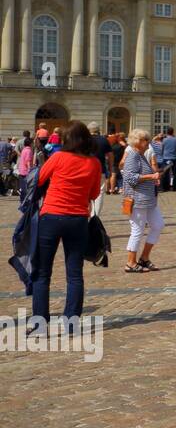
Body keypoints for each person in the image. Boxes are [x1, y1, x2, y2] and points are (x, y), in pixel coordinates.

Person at [29, 121, 101, 333]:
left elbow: (39, 178)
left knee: (42, 273)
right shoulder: (93, 163)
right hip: (77, 219)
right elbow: (94, 194)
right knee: (75, 274)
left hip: (51, 216)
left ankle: (40, 323)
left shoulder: (58, 157)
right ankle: (71, 322)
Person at [121, 128, 164, 273]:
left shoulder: (141, 155)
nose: (148, 142)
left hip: (148, 199)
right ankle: (130, 262)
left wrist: (154, 179)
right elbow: (130, 178)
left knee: (158, 225)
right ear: (138, 142)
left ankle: (144, 257)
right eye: (146, 140)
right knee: (137, 231)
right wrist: (150, 177)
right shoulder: (133, 155)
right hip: (137, 199)